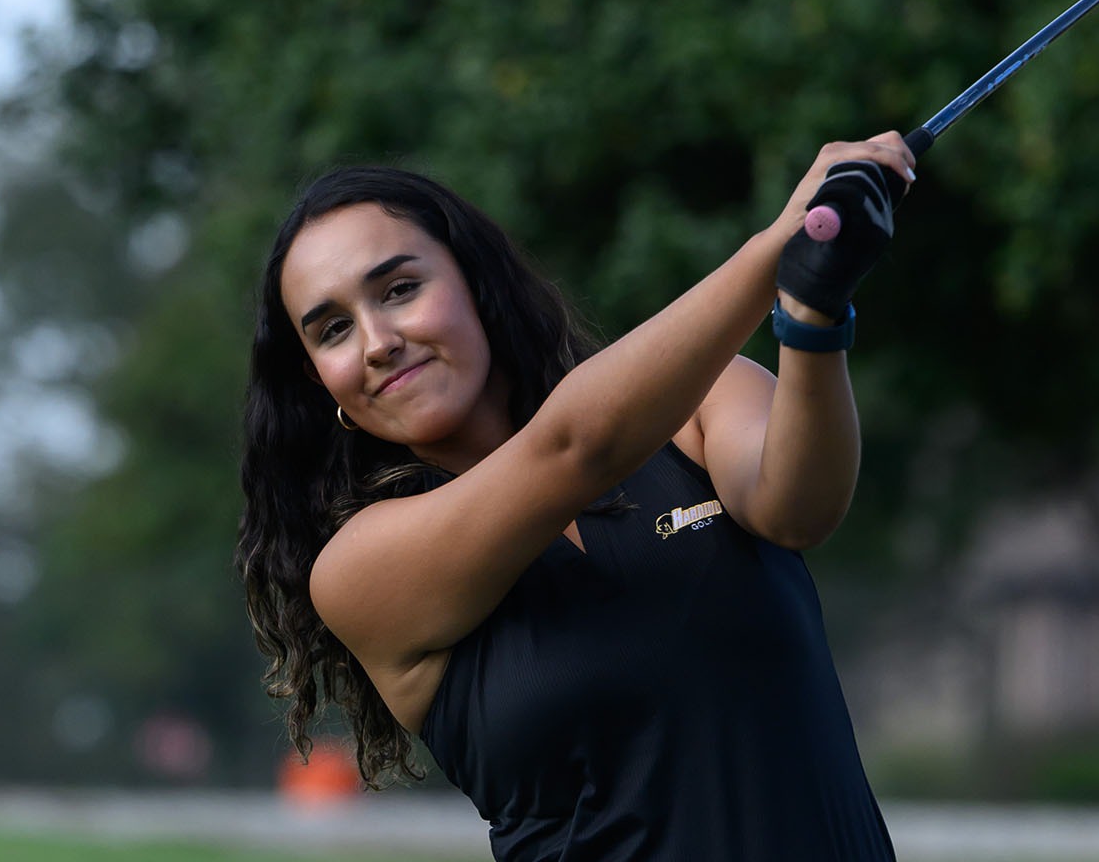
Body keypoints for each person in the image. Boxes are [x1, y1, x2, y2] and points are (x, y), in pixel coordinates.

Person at [237, 134, 915, 861]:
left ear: (475, 280)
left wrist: (812, 312)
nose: (377, 342)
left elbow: (799, 511)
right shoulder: (358, 570)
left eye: (400, 289)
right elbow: (571, 450)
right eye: (334, 330)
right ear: (319, 379)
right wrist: (778, 243)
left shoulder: (701, 404)